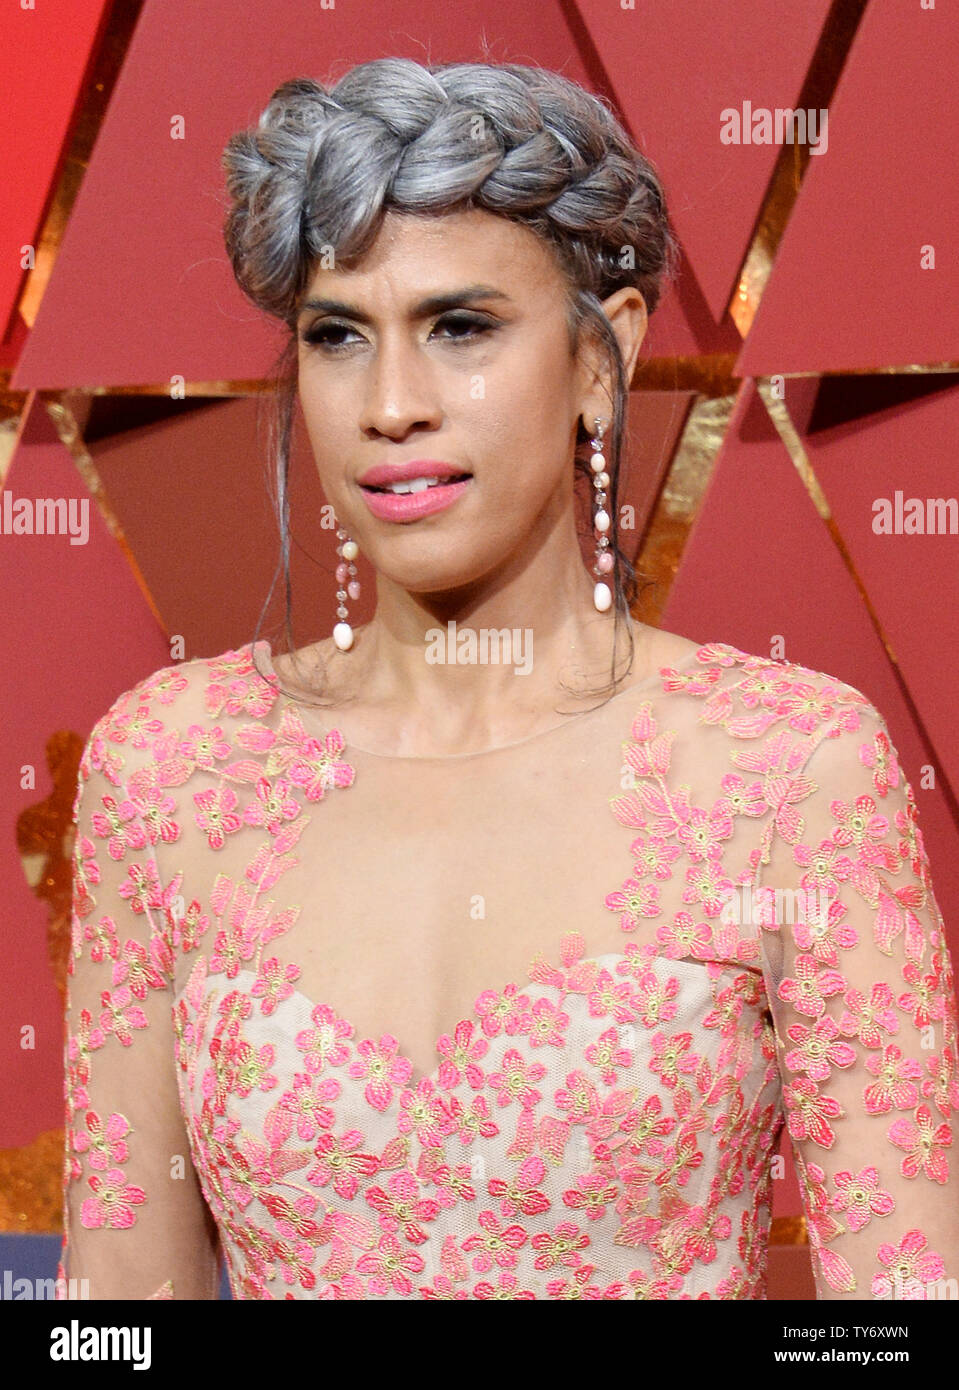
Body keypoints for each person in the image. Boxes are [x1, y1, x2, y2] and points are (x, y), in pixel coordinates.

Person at [58, 57, 958, 1300]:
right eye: (336, 336)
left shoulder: (789, 769)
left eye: (461, 327)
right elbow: (115, 1318)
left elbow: (900, 1318)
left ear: (603, 359)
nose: (390, 405)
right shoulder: (169, 768)